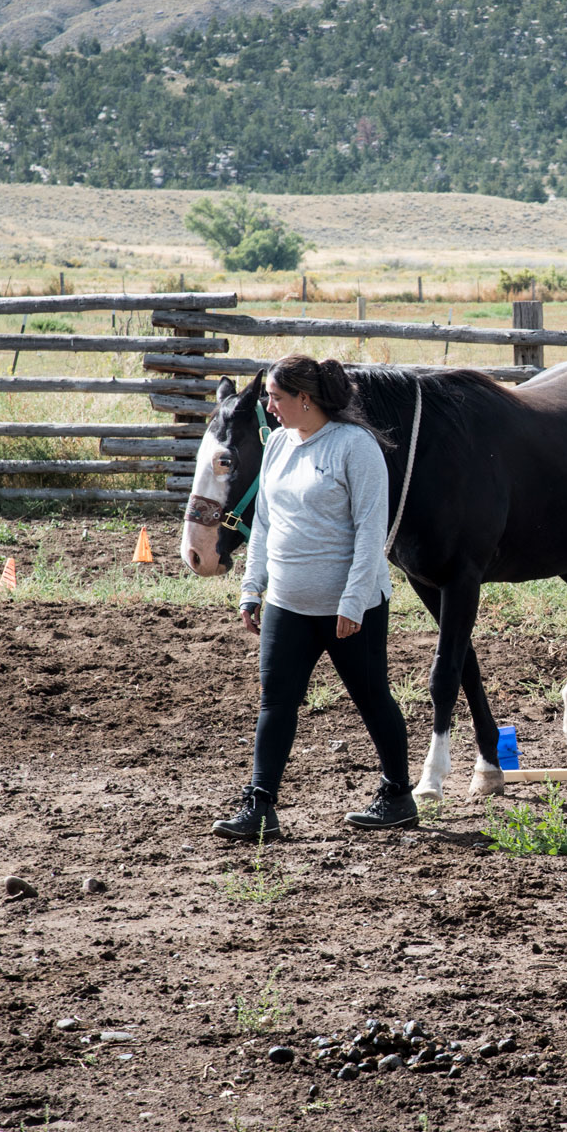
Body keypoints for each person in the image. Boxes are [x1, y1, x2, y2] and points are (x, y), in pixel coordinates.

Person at [212, 353, 417, 841]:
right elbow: (264, 521)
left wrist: (353, 600)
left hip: (350, 607)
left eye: (276, 397)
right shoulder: (279, 443)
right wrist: (251, 586)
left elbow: (372, 531)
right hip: (287, 602)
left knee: (371, 698)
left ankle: (398, 794)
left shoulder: (355, 446)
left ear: (305, 399)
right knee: (276, 701)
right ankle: (260, 805)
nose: (269, 405)